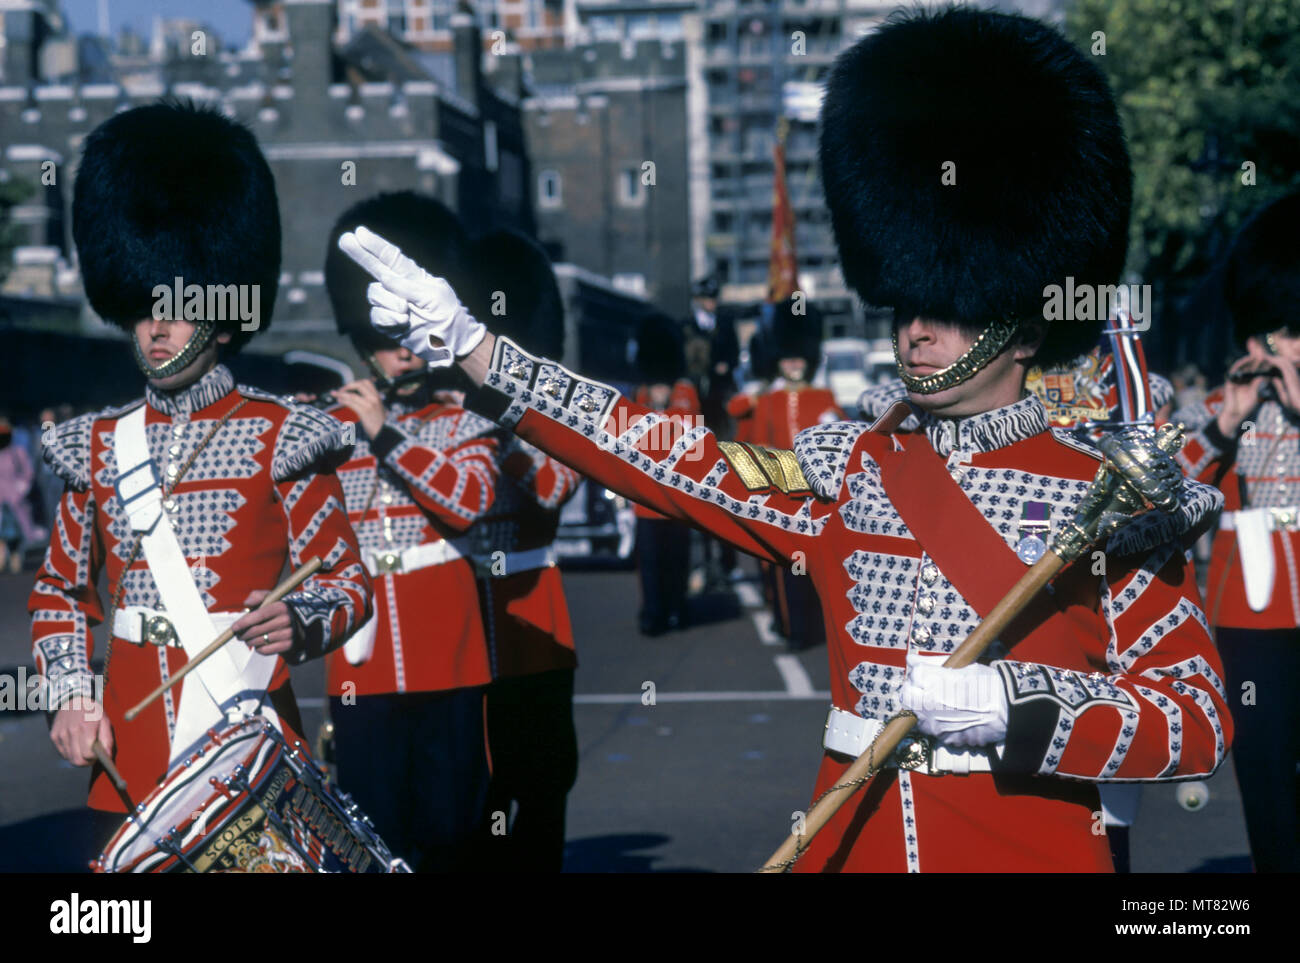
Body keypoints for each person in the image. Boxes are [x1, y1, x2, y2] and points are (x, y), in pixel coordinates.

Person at [340, 6, 1231, 872]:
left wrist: (1023, 706)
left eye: (952, 307)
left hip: (1027, 846)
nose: (918, 328)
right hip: (854, 839)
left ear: (1026, 326)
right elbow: (662, 454)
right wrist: (477, 351)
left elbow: (1194, 718)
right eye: (906, 300)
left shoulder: (1112, 494)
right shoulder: (848, 468)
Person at [29, 100, 372, 853]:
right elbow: (60, 590)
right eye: (143, 307)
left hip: (243, 733)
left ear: (221, 313)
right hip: (129, 746)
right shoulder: (95, 445)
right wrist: (70, 695)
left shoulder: (284, 435)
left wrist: (301, 619)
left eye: (176, 308)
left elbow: (347, 582)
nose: (155, 327)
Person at [321, 191, 501, 872]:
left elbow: (468, 502)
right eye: (380, 342)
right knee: (370, 831)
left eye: (405, 340)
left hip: (446, 652)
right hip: (361, 660)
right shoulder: (330, 427)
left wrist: (385, 435)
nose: (397, 354)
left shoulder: (465, 418)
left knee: (453, 827)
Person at [1172, 192, 1300, 873]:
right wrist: (1225, 427)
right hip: (1253, 617)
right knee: (1270, 776)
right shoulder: (1222, 408)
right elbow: (1162, 494)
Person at [457, 229, 583, 872]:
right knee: (473, 784)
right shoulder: (449, 410)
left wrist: (505, 428)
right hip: (461, 614)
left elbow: (555, 488)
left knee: (542, 770)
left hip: (533, 615)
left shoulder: (547, 419)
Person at [727, 300, 843, 648]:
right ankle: (794, 627)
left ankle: (816, 626)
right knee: (784, 567)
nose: (794, 364)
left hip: (816, 494)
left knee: (818, 566)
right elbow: (758, 444)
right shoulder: (768, 401)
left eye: (799, 358)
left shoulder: (823, 397)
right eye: (788, 358)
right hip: (781, 493)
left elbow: (840, 439)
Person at [631, 314, 701, 635]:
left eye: (663, 383)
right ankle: (653, 612)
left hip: (678, 495)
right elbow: (626, 443)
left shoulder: (686, 396)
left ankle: (677, 607)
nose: (659, 388)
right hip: (646, 498)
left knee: (677, 559)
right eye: (656, 382)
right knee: (649, 561)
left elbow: (696, 444)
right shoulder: (638, 396)